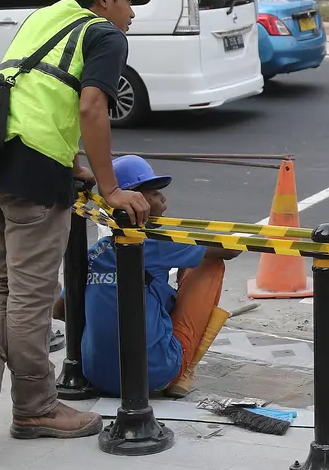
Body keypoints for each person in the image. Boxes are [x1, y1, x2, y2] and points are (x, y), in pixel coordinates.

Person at [0, 0, 152, 448]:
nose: (132, 12)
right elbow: (93, 106)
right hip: (33, 177)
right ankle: (35, 408)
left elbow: (36, 94)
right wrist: (110, 186)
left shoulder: (41, 19)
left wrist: (72, 157)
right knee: (29, 297)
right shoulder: (104, 34)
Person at [57, 155, 239, 399]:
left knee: (187, 260)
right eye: (153, 192)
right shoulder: (154, 243)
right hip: (153, 376)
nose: (162, 198)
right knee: (211, 262)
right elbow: (231, 249)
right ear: (134, 201)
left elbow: (59, 310)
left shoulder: (95, 254)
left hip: (96, 374)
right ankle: (183, 374)